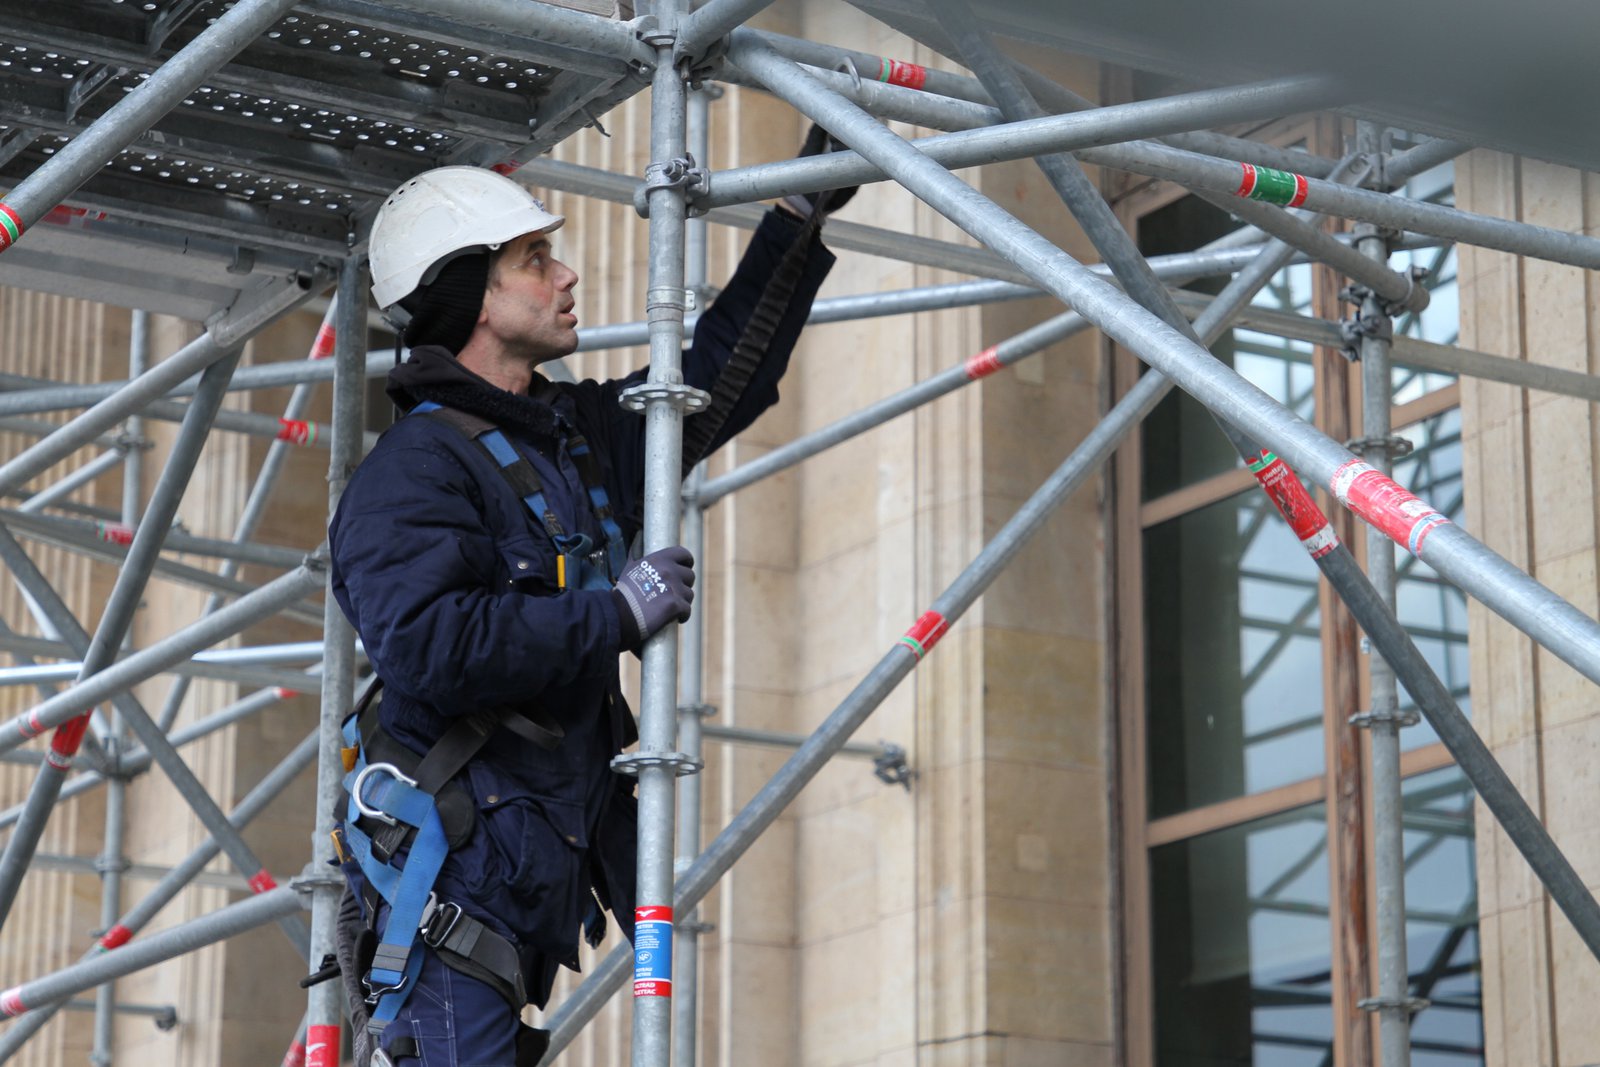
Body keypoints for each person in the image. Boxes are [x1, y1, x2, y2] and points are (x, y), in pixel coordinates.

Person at [327, 136, 853, 1067]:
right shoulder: (411, 472)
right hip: (456, 900)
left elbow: (718, 382)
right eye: (534, 260)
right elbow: (427, 646)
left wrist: (797, 217)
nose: (567, 275)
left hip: (515, 888)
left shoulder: (567, 439)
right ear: (474, 294)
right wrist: (611, 615)